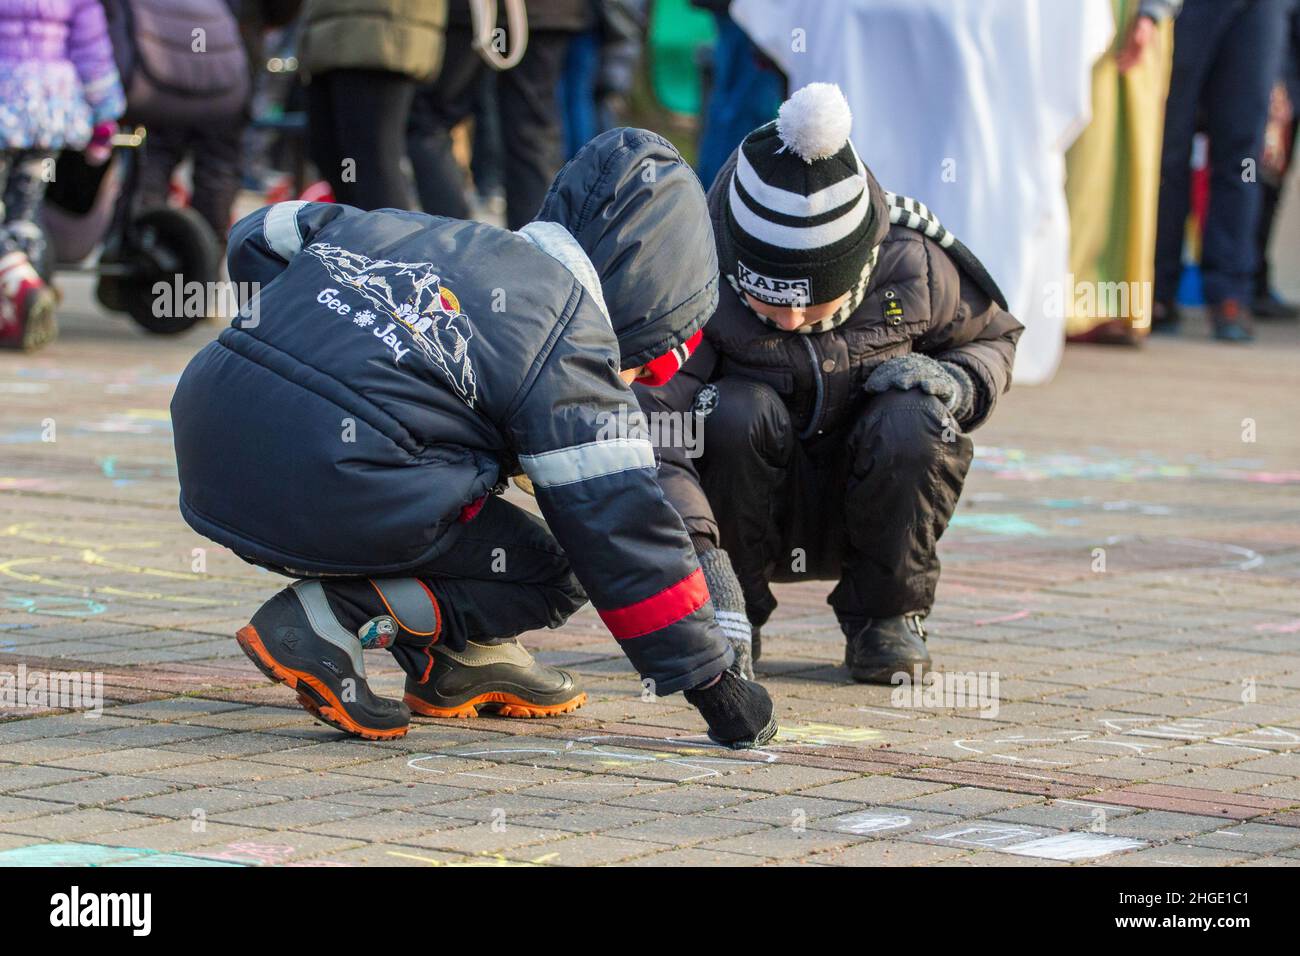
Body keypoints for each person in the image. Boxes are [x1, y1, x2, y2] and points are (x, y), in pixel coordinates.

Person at [169, 128, 777, 749]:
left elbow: (264, 232)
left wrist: (283, 331)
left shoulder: (420, 229)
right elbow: (621, 529)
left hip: (205, 443)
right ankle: (334, 618)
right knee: (558, 569)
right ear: (641, 309)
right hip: (329, 482)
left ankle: (457, 660)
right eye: (646, 365)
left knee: (465, 497)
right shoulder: (571, 337)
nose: (640, 385)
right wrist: (718, 688)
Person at [636, 84, 1022, 682]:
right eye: (768, 301)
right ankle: (734, 616)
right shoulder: (694, 279)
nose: (790, 321)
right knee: (731, 410)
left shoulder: (911, 261)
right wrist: (704, 575)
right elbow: (653, 427)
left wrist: (959, 381)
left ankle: (886, 619)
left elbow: (994, 335)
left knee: (914, 415)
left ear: (860, 268)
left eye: (813, 306)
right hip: (744, 505)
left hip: (869, 491)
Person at [1153, 0, 1291, 341]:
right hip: (1191, 10)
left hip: (1260, 10)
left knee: (1244, 161)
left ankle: (1230, 291)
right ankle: (1157, 288)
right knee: (1171, 149)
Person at [0, 0, 123, 351]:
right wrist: (105, 115)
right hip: (49, 106)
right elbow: (92, 50)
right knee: (24, 214)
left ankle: (22, 288)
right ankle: (26, 307)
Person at [407, 0, 590, 229]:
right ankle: (537, 251)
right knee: (531, 131)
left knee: (426, 120)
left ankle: (457, 243)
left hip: (479, 13)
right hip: (548, 12)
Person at [1064, 0, 1180, 345]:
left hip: (1131, 18)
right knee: (1082, 167)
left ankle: (1114, 309)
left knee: (1134, 168)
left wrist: (1152, 12)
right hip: (1073, 17)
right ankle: (1063, 306)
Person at [300, 0, 446, 211]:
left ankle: (391, 240)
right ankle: (354, 238)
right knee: (333, 155)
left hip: (383, 30)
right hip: (326, 31)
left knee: (373, 163)